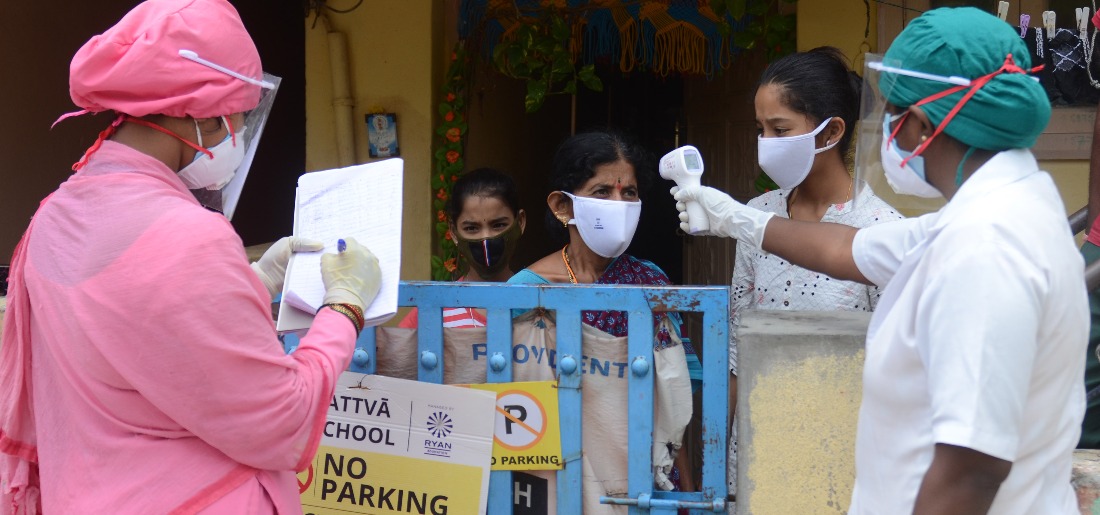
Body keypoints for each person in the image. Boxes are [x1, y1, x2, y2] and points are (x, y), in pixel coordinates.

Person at [674, 7, 1086, 514]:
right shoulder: (995, 213)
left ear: (919, 122)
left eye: (890, 113)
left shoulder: (988, 249)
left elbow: (972, 469)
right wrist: (736, 219)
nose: (885, 130)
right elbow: (846, 248)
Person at [0, 1, 381, 513]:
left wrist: (251, 282)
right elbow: (282, 421)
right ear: (200, 113)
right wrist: (344, 308)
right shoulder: (190, 235)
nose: (240, 135)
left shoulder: (53, 217)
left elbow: (137, 326)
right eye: (239, 117)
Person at [726, 46, 905, 500]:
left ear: (832, 132)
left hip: (843, 457)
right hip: (757, 450)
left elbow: (898, 370)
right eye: (760, 129)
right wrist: (717, 455)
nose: (765, 141)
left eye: (779, 129)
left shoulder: (881, 231)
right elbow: (735, 352)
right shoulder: (756, 217)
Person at [509, 130, 694, 507]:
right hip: (561, 480)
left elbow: (674, 405)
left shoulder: (651, 282)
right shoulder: (527, 291)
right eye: (602, 191)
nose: (619, 202)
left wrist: (687, 496)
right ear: (563, 205)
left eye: (629, 193)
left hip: (647, 483)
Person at [398, 167, 525, 328]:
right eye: (471, 228)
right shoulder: (432, 312)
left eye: (498, 225)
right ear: (453, 232)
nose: (485, 238)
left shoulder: (541, 304)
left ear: (520, 222)